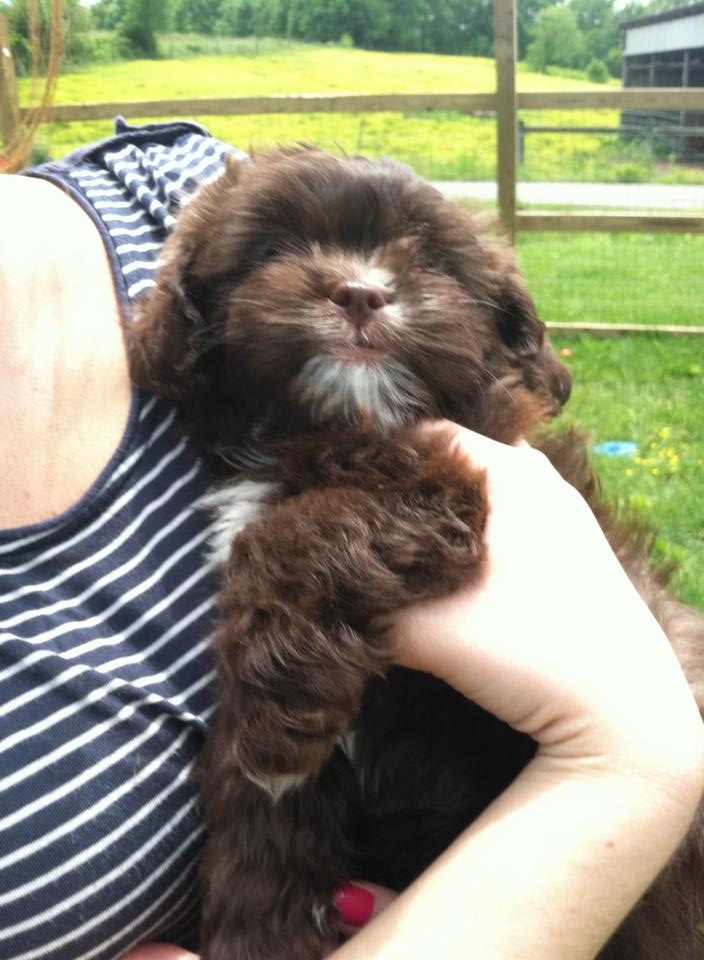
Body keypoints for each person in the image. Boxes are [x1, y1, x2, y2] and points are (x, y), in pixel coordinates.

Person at [1, 120, 703, 960]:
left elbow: (447, 510)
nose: (360, 286)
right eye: (283, 251)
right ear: (191, 310)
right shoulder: (217, 386)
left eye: (427, 265)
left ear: (505, 331)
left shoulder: (466, 461)